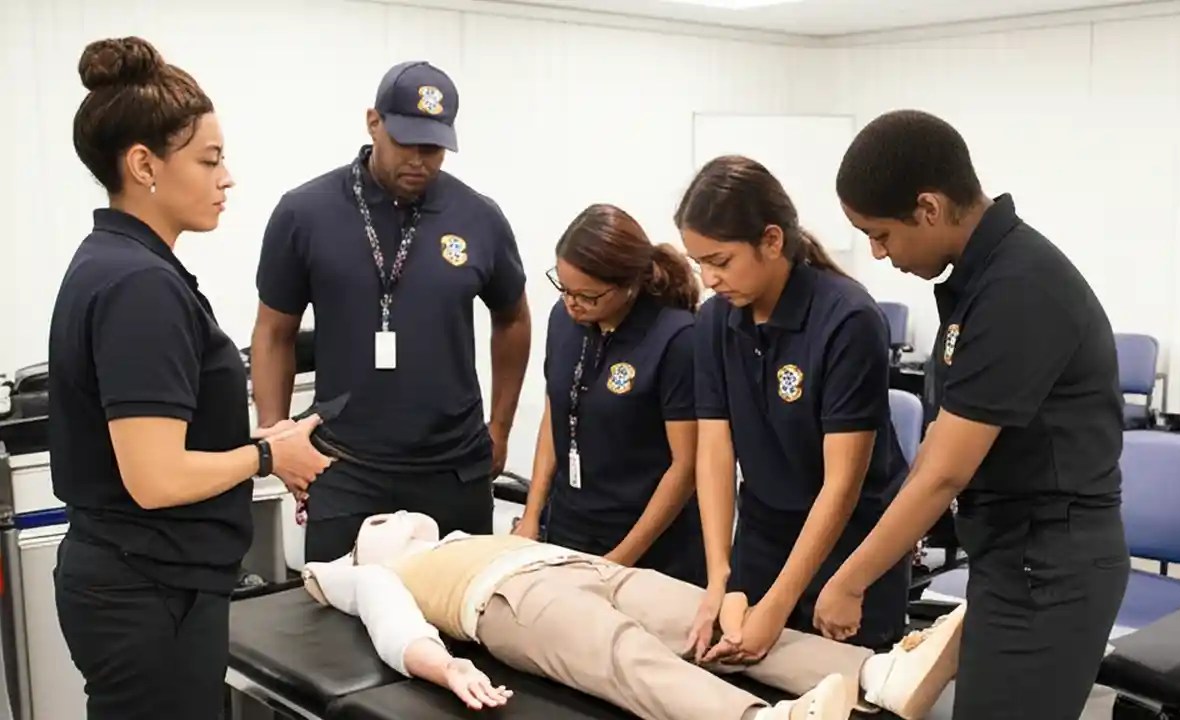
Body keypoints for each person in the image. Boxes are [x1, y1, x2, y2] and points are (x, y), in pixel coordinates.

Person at [47, 37, 332, 719]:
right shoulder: (139, 286)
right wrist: (268, 454)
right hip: (147, 591)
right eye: (209, 159)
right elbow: (157, 478)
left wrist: (260, 439)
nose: (226, 177)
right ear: (143, 163)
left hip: (138, 581)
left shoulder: (115, 263)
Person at [814, 109, 1129, 720]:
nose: (878, 253)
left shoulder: (1020, 287)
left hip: (1050, 569)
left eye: (881, 234)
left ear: (928, 209)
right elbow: (939, 440)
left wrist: (850, 581)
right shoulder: (982, 277)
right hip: (1014, 555)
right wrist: (896, 542)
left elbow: (945, 473)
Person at [250, 59, 532, 561]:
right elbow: (274, 332)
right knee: (333, 628)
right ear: (373, 122)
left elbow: (513, 318)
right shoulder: (305, 213)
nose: (420, 161)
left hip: (454, 469)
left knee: (459, 627)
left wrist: (501, 427)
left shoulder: (479, 217)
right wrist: (278, 439)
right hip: (344, 467)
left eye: (434, 148)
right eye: (406, 143)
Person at [302, 510, 965, 720]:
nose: (391, 522)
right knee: (622, 655)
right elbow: (388, 623)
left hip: (583, 566)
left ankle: (877, 673)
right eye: (378, 525)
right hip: (507, 603)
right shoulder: (374, 573)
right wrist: (443, 667)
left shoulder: (462, 537)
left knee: (712, 627)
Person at [674, 156, 912, 665]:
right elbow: (715, 451)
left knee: (844, 689)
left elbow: (841, 485)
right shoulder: (716, 321)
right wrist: (720, 576)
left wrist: (778, 605)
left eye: (720, 260)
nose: (709, 278)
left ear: (772, 241)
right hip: (764, 535)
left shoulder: (848, 319)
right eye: (699, 264)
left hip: (848, 544)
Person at [512, 204, 706, 585]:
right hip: (569, 528)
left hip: (649, 545)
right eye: (564, 289)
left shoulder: (677, 338)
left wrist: (620, 560)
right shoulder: (563, 320)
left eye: (588, 296)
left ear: (629, 285)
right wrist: (532, 516)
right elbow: (555, 414)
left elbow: (686, 467)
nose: (572, 303)